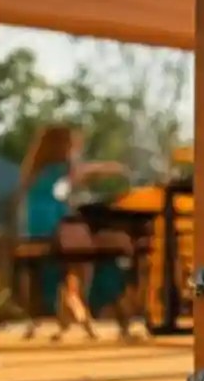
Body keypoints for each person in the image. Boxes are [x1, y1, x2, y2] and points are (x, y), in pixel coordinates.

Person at [19, 126, 137, 343]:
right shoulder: (58, 168)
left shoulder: (38, 172)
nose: (76, 148)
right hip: (53, 228)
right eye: (73, 144)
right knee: (90, 256)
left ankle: (77, 313)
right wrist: (111, 168)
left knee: (101, 249)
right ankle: (87, 311)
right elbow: (81, 173)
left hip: (47, 229)